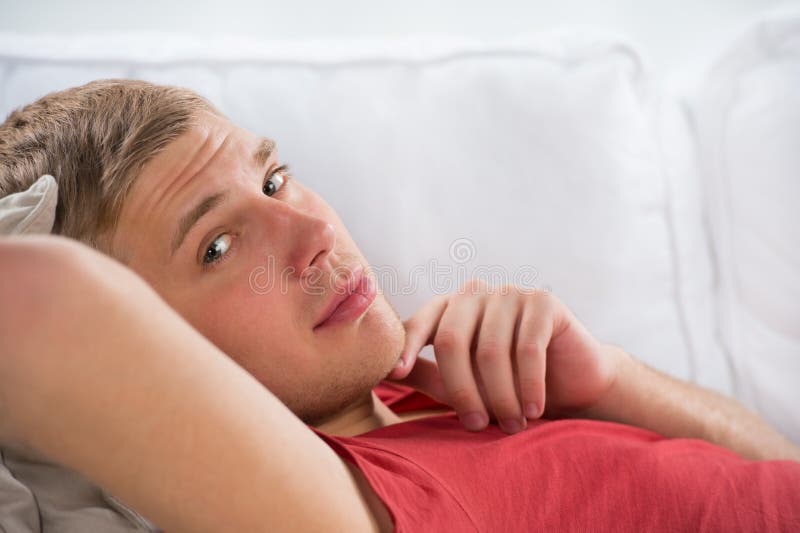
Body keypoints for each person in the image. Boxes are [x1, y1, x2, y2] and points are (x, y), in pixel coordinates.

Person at [0, 80, 798, 533]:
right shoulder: (337, 500)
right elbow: (41, 306)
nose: (316, 233)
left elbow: (772, 477)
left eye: (274, 180)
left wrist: (609, 381)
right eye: (217, 246)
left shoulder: (420, 388)